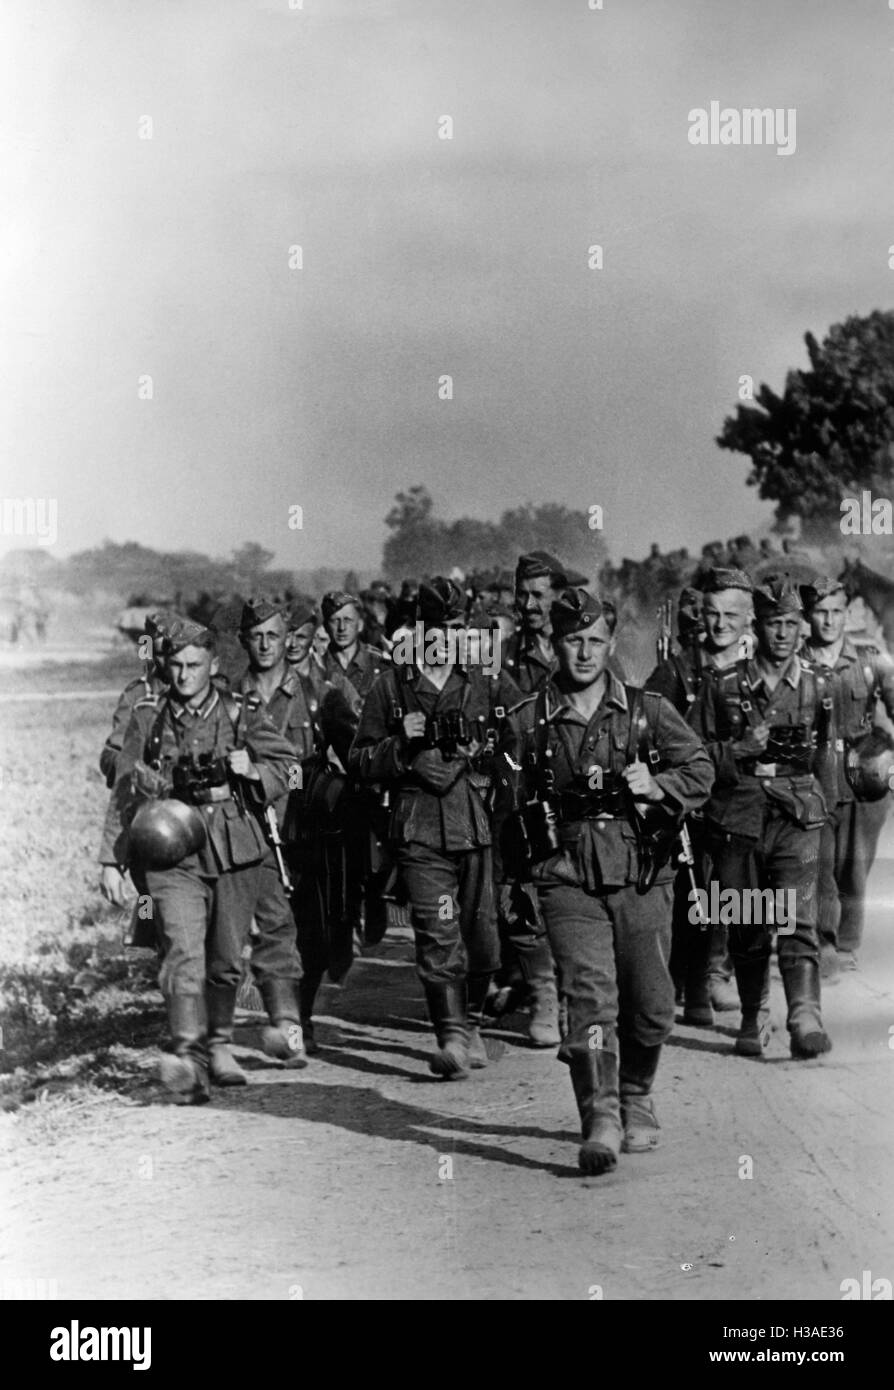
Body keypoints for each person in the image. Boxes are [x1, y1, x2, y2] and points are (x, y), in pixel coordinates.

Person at [505, 587, 713, 1175]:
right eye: (573, 640)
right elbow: (506, 807)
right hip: (566, 876)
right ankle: (599, 1115)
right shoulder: (528, 722)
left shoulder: (647, 711)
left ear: (612, 643)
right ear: (553, 643)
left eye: (596, 641)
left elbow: (701, 768)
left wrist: (659, 787)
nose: (585, 652)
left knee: (650, 1005)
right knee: (590, 1000)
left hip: (642, 873)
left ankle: (637, 1094)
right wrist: (515, 883)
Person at [98, 618, 304, 1102]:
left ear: (213, 666)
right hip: (170, 852)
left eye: (194, 665)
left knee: (225, 957)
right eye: (176, 665)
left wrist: (254, 770)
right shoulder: (148, 718)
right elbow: (125, 791)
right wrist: (111, 860)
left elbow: (291, 768)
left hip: (233, 848)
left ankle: (219, 1044)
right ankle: (187, 1057)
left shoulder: (242, 712)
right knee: (181, 949)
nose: (184, 675)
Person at [349, 577, 523, 1078]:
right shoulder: (392, 685)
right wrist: (400, 748)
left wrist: (490, 765)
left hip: (475, 822)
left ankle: (470, 1023)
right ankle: (449, 1033)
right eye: (436, 627)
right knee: (436, 930)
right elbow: (360, 760)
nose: (446, 636)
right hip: (419, 827)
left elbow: (520, 740)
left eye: (455, 626)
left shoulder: (486, 679)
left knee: (483, 937)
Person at [691, 574, 835, 1061]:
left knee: (797, 918)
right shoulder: (723, 685)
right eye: (773, 623)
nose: (782, 634)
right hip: (738, 817)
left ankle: (805, 1014)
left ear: (802, 628)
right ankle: (754, 1013)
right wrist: (737, 750)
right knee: (747, 923)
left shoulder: (819, 686)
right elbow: (692, 755)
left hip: (796, 814)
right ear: (759, 624)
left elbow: (824, 757)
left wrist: (825, 817)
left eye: (791, 624)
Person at [248, 595, 359, 1051]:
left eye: (290, 635)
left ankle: (301, 1015)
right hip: (250, 827)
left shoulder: (321, 694)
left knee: (309, 928)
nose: (282, 644)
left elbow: (356, 755)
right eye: (273, 635)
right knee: (260, 929)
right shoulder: (235, 694)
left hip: (305, 827)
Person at [646, 567, 756, 1023]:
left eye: (732, 614)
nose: (720, 624)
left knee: (733, 891)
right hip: (688, 802)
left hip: (740, 801)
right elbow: (647, 733)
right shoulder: (674, 671)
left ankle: (719, 972)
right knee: (690, 891)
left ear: (748, 619)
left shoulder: (756, 672)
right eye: (711, 614)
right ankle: (692, 986)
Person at [800, 575, 894, 974]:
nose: (830, 620)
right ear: (808, 615)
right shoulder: (794, 661)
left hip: (863, 778)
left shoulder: (871, 659)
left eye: (837, 611)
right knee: (818, 862)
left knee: (854, 864)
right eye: (821, 612)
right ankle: (824, 940)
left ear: (848, 612)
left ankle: (849, 941)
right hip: (811, 776)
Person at [100, 612, 172, 788]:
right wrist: (136, 769)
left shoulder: (202, 691)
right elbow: (112, 754)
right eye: (163, 653)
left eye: (178, 652)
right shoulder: (137, 695)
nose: (172, 661)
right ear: (151, 654)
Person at [320, 590, 390, 708]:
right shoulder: (318, 668)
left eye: (348, 620)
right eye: (335, 621)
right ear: (326, 627)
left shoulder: (379, 665)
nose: (342, 628)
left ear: (360, 625)